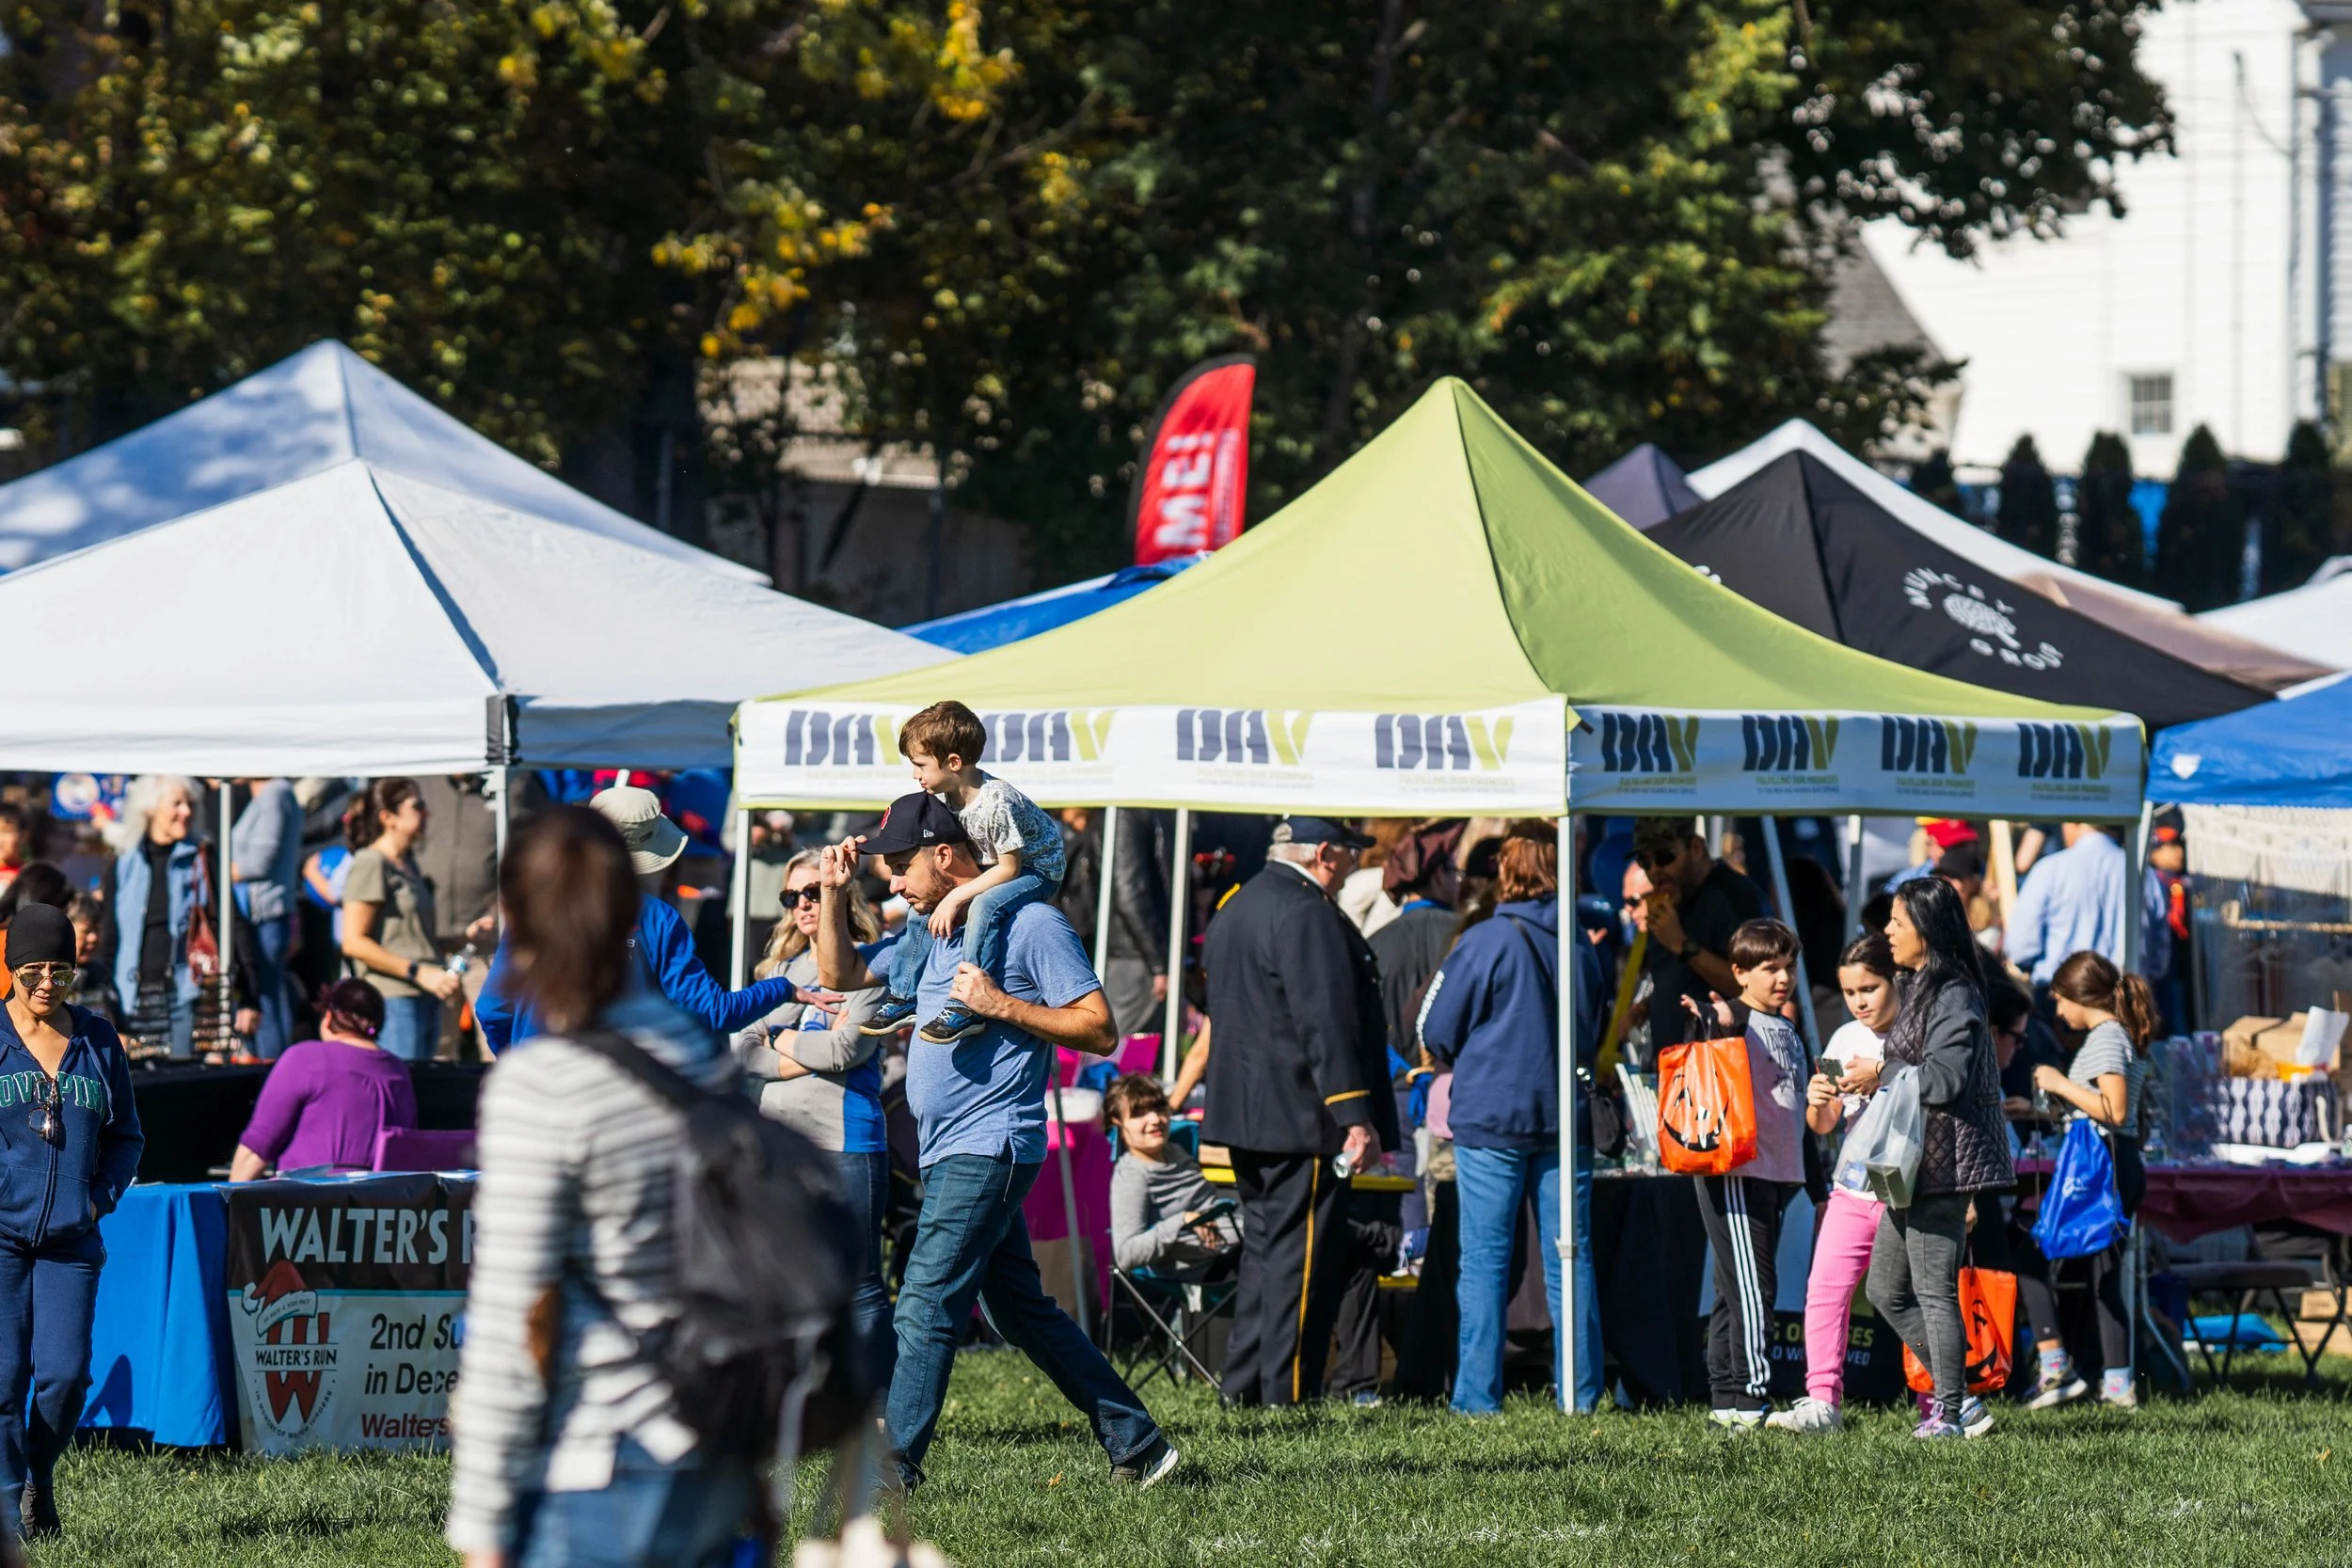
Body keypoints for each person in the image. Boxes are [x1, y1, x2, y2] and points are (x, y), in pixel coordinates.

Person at [811, 793, 1177, 1492]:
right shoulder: (930, 930)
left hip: (991, 1142)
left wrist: (1002, 1006)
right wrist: (833, 894)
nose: (892, 882)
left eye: (899, 866)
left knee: (924, 1296)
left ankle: (894, 1467)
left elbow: (1102, 1030)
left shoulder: (1030, 922)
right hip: (950, 1147)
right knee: (1020, 1311)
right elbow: (842, 978)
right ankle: (1141, 1443)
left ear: (943, 855)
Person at [450, 807, 765, 1568]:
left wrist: (480, 1523)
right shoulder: (700, 1066)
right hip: (717, 1447)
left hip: (596, 1459)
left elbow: (512, 1316)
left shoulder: (541, 1086)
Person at [1200, 816, 1396, 1407]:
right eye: (1350, 855)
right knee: (1300, 1265)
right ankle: (1285, 1395)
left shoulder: (1241, 902)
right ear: (1325, 854)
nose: (1353, 866)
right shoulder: (1304, 910)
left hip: (1249, 1113)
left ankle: (1246, 1390)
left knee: (1266, 1257)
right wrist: (1353, 1114)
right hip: (1298, 1117)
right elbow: (1324, 1023)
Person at [1415, 823, 1605, 1415]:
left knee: (1485, 1261)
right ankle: (1579, 1394)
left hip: (1493, 1118)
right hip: (1562, 1120)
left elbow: (1435, 1030)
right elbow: (1595, 1025)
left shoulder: (1484, 940)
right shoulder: (1581, 944)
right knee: (1570, 1257)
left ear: (1508, 870)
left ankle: (1477, 1398)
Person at [0, 904, 143, 1540]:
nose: (47, 982)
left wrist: (95, 1201)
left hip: (71, 1241)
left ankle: (39, 1474)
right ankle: (11, 1511)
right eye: (33, 969)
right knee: (1, 1380)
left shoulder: (98, 1039)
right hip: (0, 1241)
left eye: (60, 968)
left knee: (63, 1376)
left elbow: (127, 1137)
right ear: (10, 969)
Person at [475, 786, 802, 1053]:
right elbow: (713, 1012)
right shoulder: (659, 918)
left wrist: (516, 1056)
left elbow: (491, 1007)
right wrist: (783, 988)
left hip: (533, 1088)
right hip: (619, 1087)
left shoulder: (538, 911)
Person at [732, 848, 891, 1392]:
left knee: (860, 1282)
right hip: (779, 1143)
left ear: (839, 894)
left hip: (847, 1141)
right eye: (792, 896)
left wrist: (778, 1040)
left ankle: (878, 1406)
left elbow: (851, 1051)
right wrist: (807, 1047)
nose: (803, 904)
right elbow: (740, 1049)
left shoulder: (870, 962)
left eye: (813, 892)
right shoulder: (777, 972)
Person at [1866, 877, 2012, 1440]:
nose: (1887, 931)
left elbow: (1946, 1079)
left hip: (1944, 1162)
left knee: (1932, 1291)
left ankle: (1949, 1413)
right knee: (1885, 1288)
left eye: (1898, 922)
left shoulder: (1953, 992)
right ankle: (1962, 1398)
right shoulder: (1921, 983)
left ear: (1926, 929)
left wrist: (1880, 1074)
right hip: (1911, 1160)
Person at [866, 701, 1068, 1047]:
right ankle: (903, 995)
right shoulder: (946, 796)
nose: (915, 775)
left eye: (920, 765)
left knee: (984, 907)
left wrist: (957, 896)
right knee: (924, 907)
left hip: (1038, 869)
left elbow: (1010, 868)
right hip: (998, 865)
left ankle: (966, 1003)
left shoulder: (995, 803)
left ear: (954, 763)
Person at [1769, 933, 1900, 1433]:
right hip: (1853, 1185)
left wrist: (1883, 1074)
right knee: (1825, 1290)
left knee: (1914, 1298)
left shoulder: (1918, 1033)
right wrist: (1818, 1096)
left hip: (1909, 1191)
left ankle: (1940, 1404)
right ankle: (1822, 1399)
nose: (1860, 1001)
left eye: (1869, 988)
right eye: (1849, 992)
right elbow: (1822, 1123)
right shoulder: (1843, 1038)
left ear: (1896, 981)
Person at [1680, 918, 1808, 1430]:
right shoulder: (1734, 1016)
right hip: (1738, 1171)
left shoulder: (1789, 1029)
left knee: (1735, 1287)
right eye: (1769, 969)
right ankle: (1752, 1395)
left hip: (1778, 1175)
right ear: (1739, 972)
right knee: (1756, 1287)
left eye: (1789, 967)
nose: (1783, 978)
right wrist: (1709, 1017)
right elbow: (1716, 1025)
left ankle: (1728, 1399)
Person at [2021, 949, 2158, 1411]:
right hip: (2115, 1166)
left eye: (2061, 1001)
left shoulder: (2105, 1037)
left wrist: (2058, 1083)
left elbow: (2115, 1111)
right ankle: (2114, 1383)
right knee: (2101, 1277)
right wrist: (2039, 1108)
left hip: (2106, 1170)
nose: (2058, 1012)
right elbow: (2098, 1105)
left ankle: (2060, 1365)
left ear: (2081, 997)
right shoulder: (2112, 1037)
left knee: (2034, 1253)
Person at [100, 774, 239, 1059]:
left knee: (181, 1078)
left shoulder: (202, 857)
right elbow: (108, 937)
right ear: (150, 807)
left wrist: (248, 996)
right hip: (132, 997)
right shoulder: (123, 864)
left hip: (185, 994)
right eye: (177, 803)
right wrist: (107, 1003)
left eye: (190, 804)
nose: (186, 811)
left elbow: (232, 923)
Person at [228, 980, 416, 1179]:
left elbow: (256, 1149)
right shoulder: (399, 1071)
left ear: (328, 1016)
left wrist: (227, 1204)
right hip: (381, 1203)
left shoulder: (306, 1059)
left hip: (305, 1203)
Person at [341, 779, 459, 1063]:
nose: (426, 814)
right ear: (388, 818)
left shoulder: (408, 864)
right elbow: (353, 942)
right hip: (394, 1000)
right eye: (417, 806)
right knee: (401, 1087)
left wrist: (465, 937)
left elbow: (412, 940)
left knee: (421, 1091)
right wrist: (417, 973)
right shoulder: (371, 862)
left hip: (426, 995)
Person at [1631, 816, 1766, 1032]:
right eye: (1645, 862)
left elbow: (1751, 985)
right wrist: (1645, 1007)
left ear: (1696, 848)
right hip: (1672, 1059)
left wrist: (1682, 945)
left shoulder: (1734, 896)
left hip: (1719, 1057)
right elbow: (1680, 984)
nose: (1655, 870)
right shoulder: (1671, 900)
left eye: (1664, 857)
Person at [1104, 1074, 1236, 1280]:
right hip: (1206, 1271)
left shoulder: (1176, 1151)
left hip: (1235, 1244)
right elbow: (1126, 1254)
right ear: (1118, 1122)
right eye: (1139, 1114)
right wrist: (1183, 1220)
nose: (1156, 1120)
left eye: (1159, 1108)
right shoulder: (1131, 1176)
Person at [2007, 822, 2169, 986]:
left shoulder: (2050, 870)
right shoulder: (2145, 875)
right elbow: (2159, 957)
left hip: (2061, 993)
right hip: (2125, 995)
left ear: (2072, 823)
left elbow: (2021, 948)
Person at [230, 778, 307, 1060]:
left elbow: (261, 861)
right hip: (262, 914)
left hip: (264, 915)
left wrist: (216, 869)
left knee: (266, 998)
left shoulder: (276, 794)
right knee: (267, 995)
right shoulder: (270, 795)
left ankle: (271, 1070)